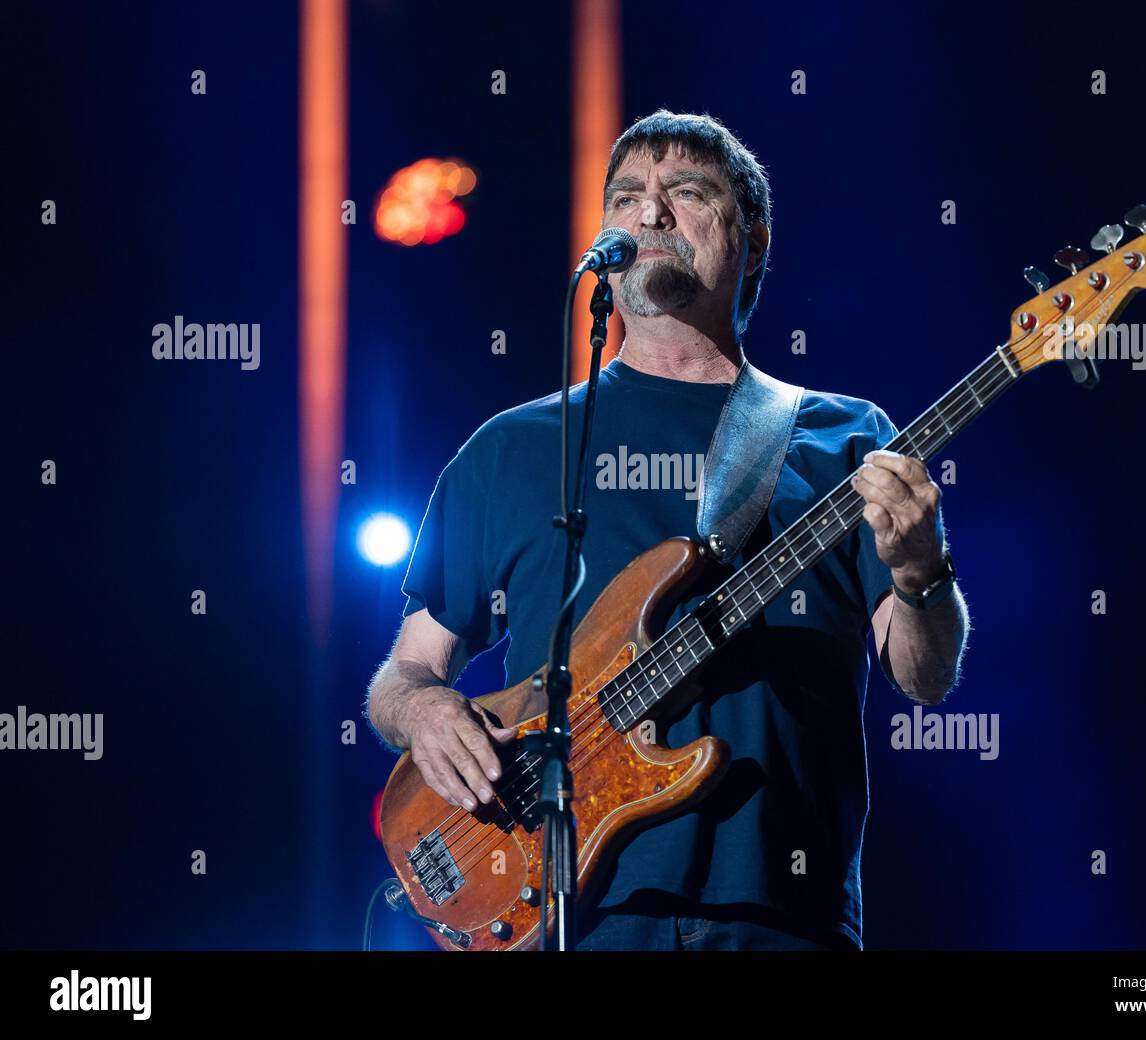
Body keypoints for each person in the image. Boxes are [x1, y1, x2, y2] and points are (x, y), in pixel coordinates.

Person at [366, 110, 969, 951]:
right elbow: (405, 671)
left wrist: (919, 569)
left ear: (751, 243)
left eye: (686, 193)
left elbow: (924, 676)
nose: (650, 215)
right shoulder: (513, 449)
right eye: (626, 196)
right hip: (572, 918)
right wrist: (428, 713)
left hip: (780, 918)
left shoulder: (843, 438)